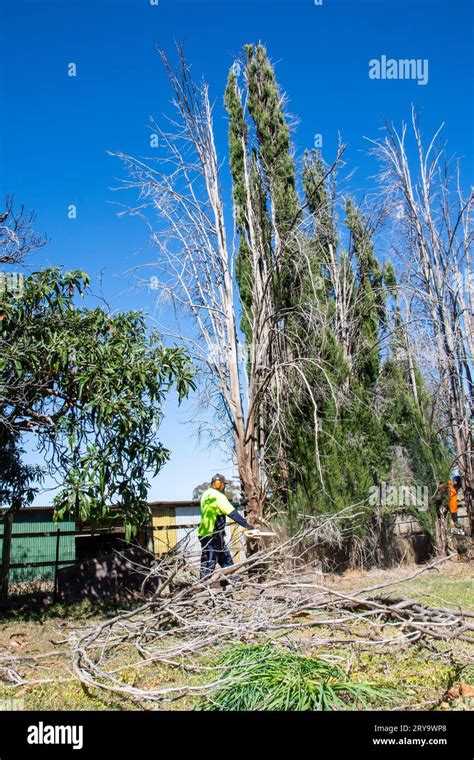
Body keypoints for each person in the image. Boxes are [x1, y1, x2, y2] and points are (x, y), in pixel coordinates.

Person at [198, 473, 254, 579]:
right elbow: (231, 513)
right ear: (219, 484)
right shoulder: (218, 496)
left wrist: (239, 503)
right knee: (209, 562)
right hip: (213, 534)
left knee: (225, 558)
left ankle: (233, 580)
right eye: (224, 484)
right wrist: (247, 525)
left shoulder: (206, 494)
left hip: (205, 534)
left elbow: (222, 506)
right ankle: (203, 586)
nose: (224, 486)